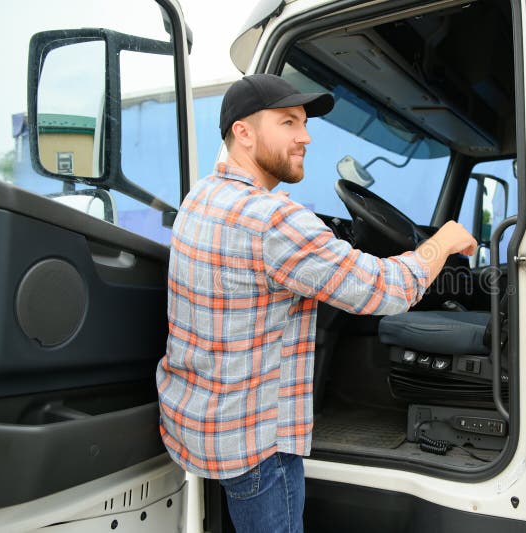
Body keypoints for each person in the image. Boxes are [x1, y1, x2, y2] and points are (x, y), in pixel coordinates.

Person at [156, 74, 476, 533]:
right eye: (288, 122)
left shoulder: (202, 197)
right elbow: (387, 289)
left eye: (304, 123)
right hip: (258, 445)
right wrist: (442, 242)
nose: (305, 136)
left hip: (201, 423)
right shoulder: (276, 220)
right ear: (243, 132)